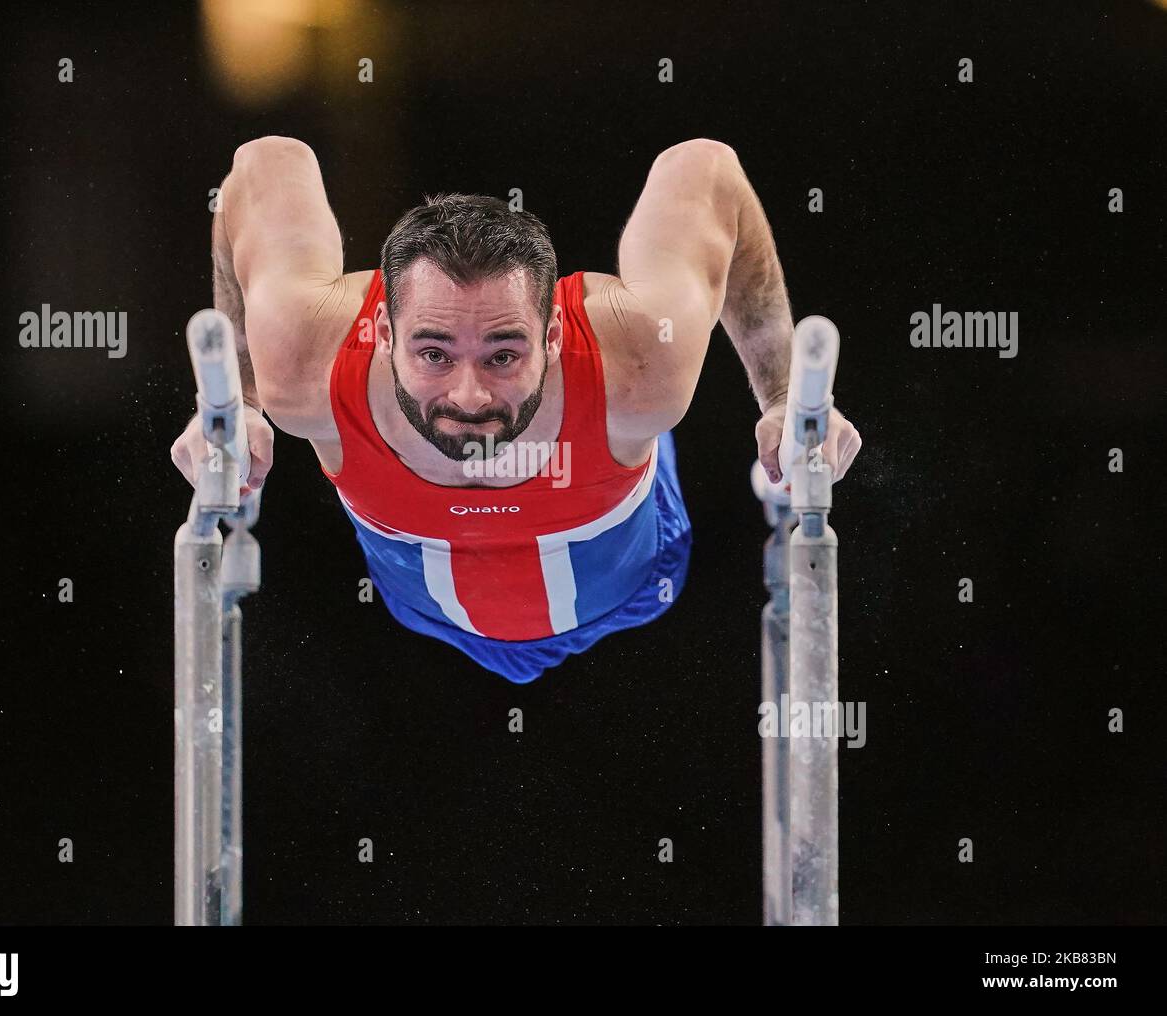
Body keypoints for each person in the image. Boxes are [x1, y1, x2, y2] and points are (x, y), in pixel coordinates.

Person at [171, 137, 861, 683]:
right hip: (426, 608)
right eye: (434, 353)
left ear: (555, 332)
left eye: (503, 355)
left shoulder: (640, 365)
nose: (469, 398)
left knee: (643, 403)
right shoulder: (304, 363)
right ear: (381, 332)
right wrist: (243, 402)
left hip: (633, 583)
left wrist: (779, 397)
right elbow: (262, 165)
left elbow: (710, 172)